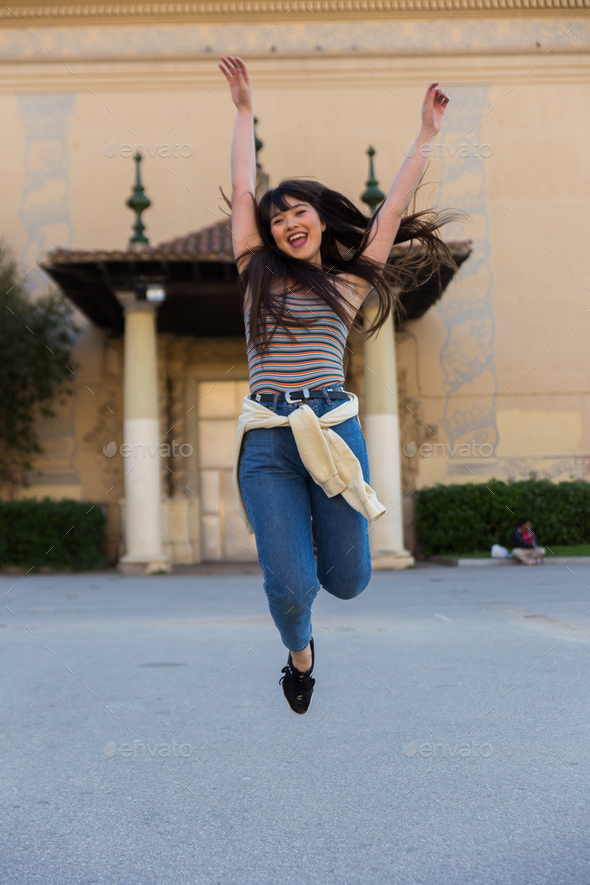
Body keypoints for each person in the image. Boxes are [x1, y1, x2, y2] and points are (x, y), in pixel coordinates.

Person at [220, 55, 459, 714]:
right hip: (269, 439)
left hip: (332, 431)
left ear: (321, 220)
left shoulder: (348, 284)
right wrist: (244, 112)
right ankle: (300, 655)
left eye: (298, 212)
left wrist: (426, 135)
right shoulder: (255, 274)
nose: (286, 224)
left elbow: (393, 209)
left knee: (349, 581)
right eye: (277, 220)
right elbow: (240, 190)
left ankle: (315, 544)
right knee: (292, 586)